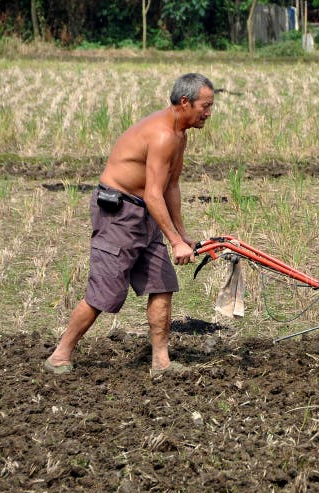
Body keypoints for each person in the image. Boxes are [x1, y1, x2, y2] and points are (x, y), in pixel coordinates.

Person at [44, 73, 215, 376]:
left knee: (162, 285)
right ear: (185, 102)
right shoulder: (162, 135)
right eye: (205, 106)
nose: (209, 113)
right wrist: (175, 242)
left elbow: (171, 186)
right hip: (119, 213)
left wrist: (181, 234)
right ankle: (60, 354)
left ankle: (161, 362)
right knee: (104, 293)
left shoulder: (180, 135)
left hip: (146, 213)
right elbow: (153, 193)